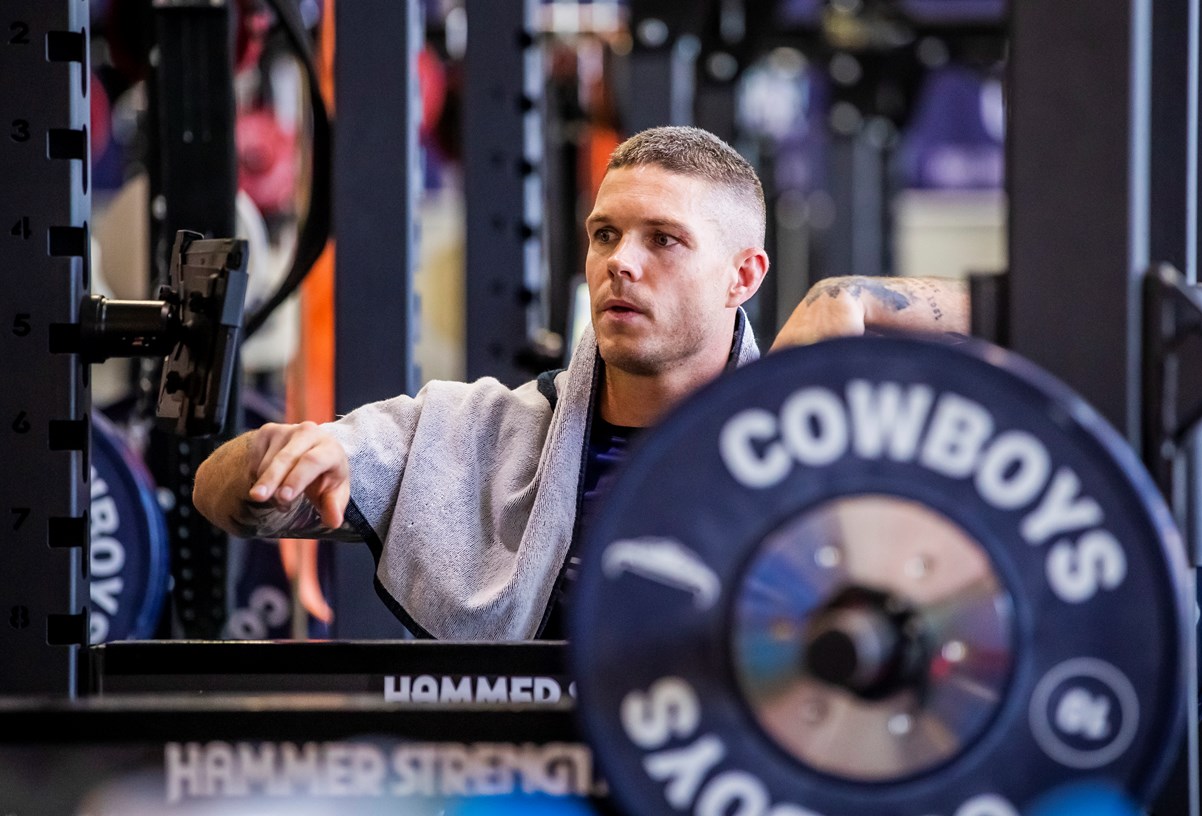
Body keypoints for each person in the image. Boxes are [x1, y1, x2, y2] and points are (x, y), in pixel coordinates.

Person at [193, 126, 968, 641]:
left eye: (663, 239)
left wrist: (854, 296)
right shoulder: (478, 435)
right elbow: (214, 492)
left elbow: (1053, 321)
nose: (620, 262)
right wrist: (274, 460)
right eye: (605, 234)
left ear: (744, 275)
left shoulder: (822, 437)